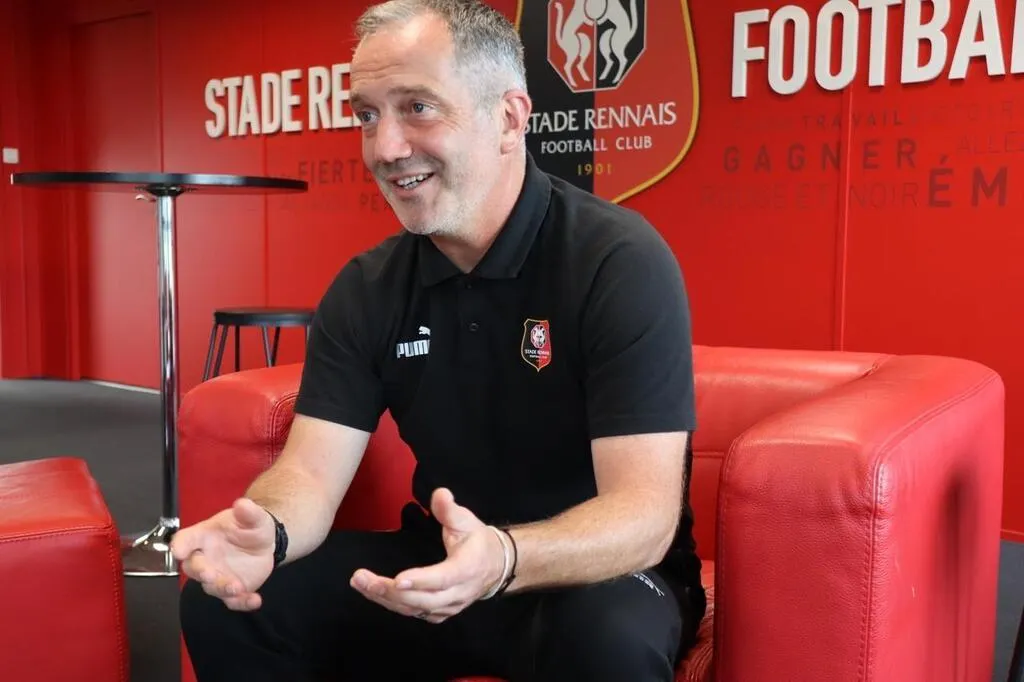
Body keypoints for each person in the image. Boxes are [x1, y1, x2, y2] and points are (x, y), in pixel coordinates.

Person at [173, 1, 706, 680]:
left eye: (417, 108)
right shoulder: (369, 287)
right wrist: (270, 533)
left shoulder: (616, 260)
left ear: (510, 117)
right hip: (439, 563)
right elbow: (309, 473)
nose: (385, 147)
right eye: (367, 115)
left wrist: (505, 557)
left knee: (608, 645)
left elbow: (644, 515)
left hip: (592, 577)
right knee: (230, 607)